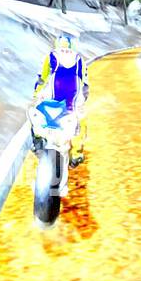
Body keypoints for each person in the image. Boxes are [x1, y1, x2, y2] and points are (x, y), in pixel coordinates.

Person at [33, 33, 89, 180]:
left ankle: (38, 142)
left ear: (57, 44)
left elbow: (42, 78)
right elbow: (85, 82)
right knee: (80, 121)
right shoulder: (78, 57)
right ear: (69, 45)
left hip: (53, 98)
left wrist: (36, 93)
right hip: (72, 99)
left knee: (37, 113)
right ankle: (76, 153)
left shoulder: (51, 55)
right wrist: (83, 98)